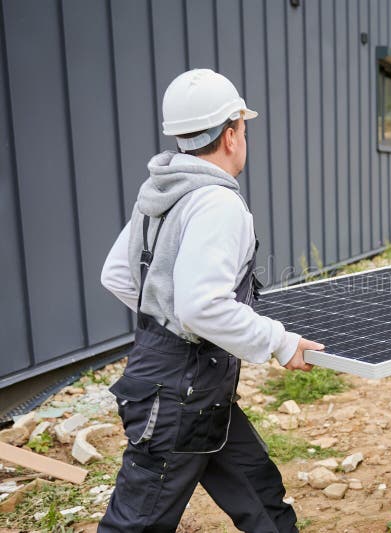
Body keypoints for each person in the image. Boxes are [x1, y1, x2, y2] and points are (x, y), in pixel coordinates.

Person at [99, 68, 323, 531]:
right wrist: (282, 343)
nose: (243, 136)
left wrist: (170, 329)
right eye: (243, 126)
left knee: (261, 494)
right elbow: (201, 307)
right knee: (136, 524)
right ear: (230, 134)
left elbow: (119, 275)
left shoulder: (162, 192)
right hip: (177, 395)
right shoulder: (217, 203)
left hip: (188, 384)